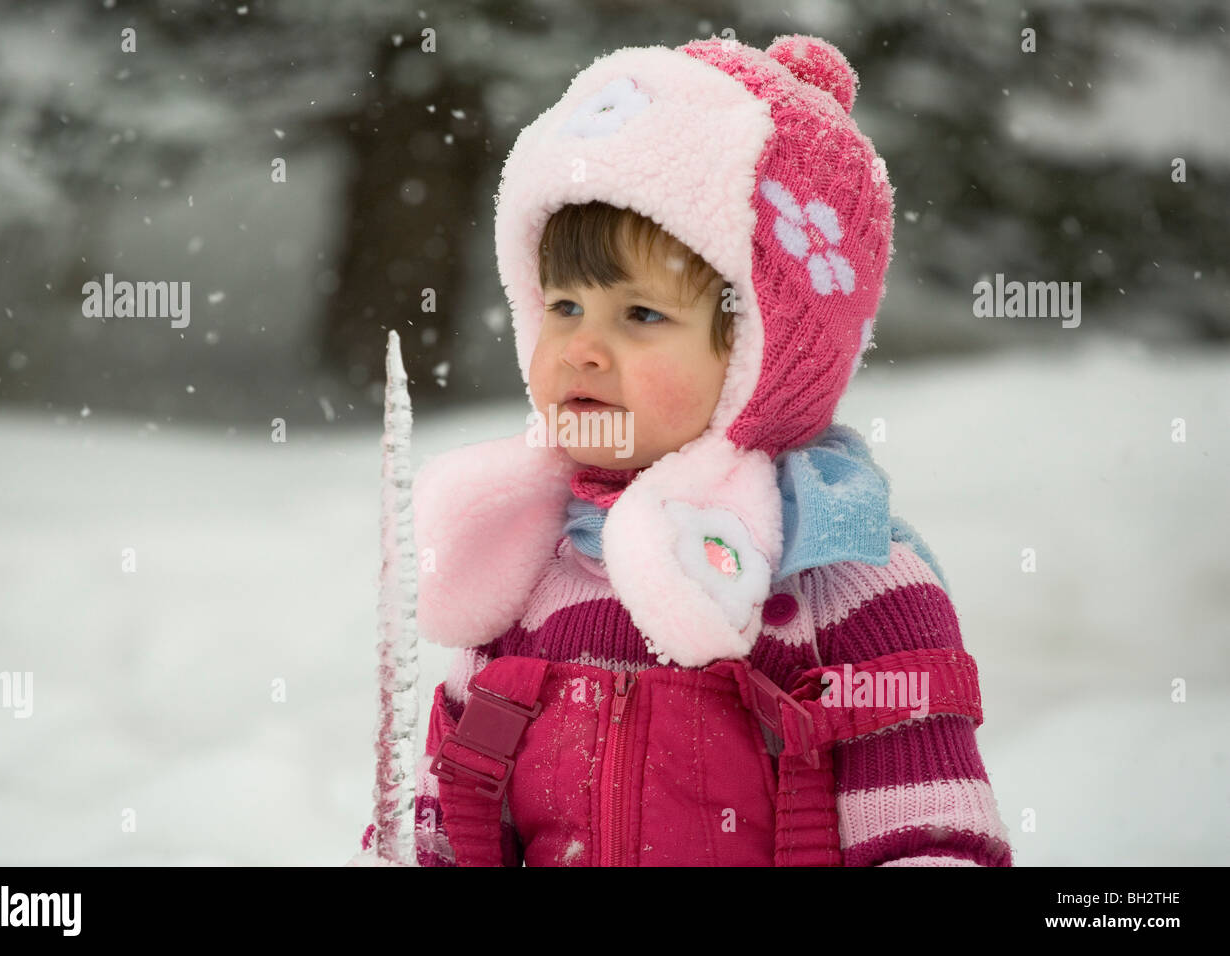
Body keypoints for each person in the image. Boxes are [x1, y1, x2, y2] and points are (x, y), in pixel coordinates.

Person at [401, 32, 1013, 867]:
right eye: (564, 307)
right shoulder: (526, 569)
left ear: (766, 356)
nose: (581, 348)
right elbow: (453, 813)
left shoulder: (845, 577)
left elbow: (929, 830)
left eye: (642, 315)